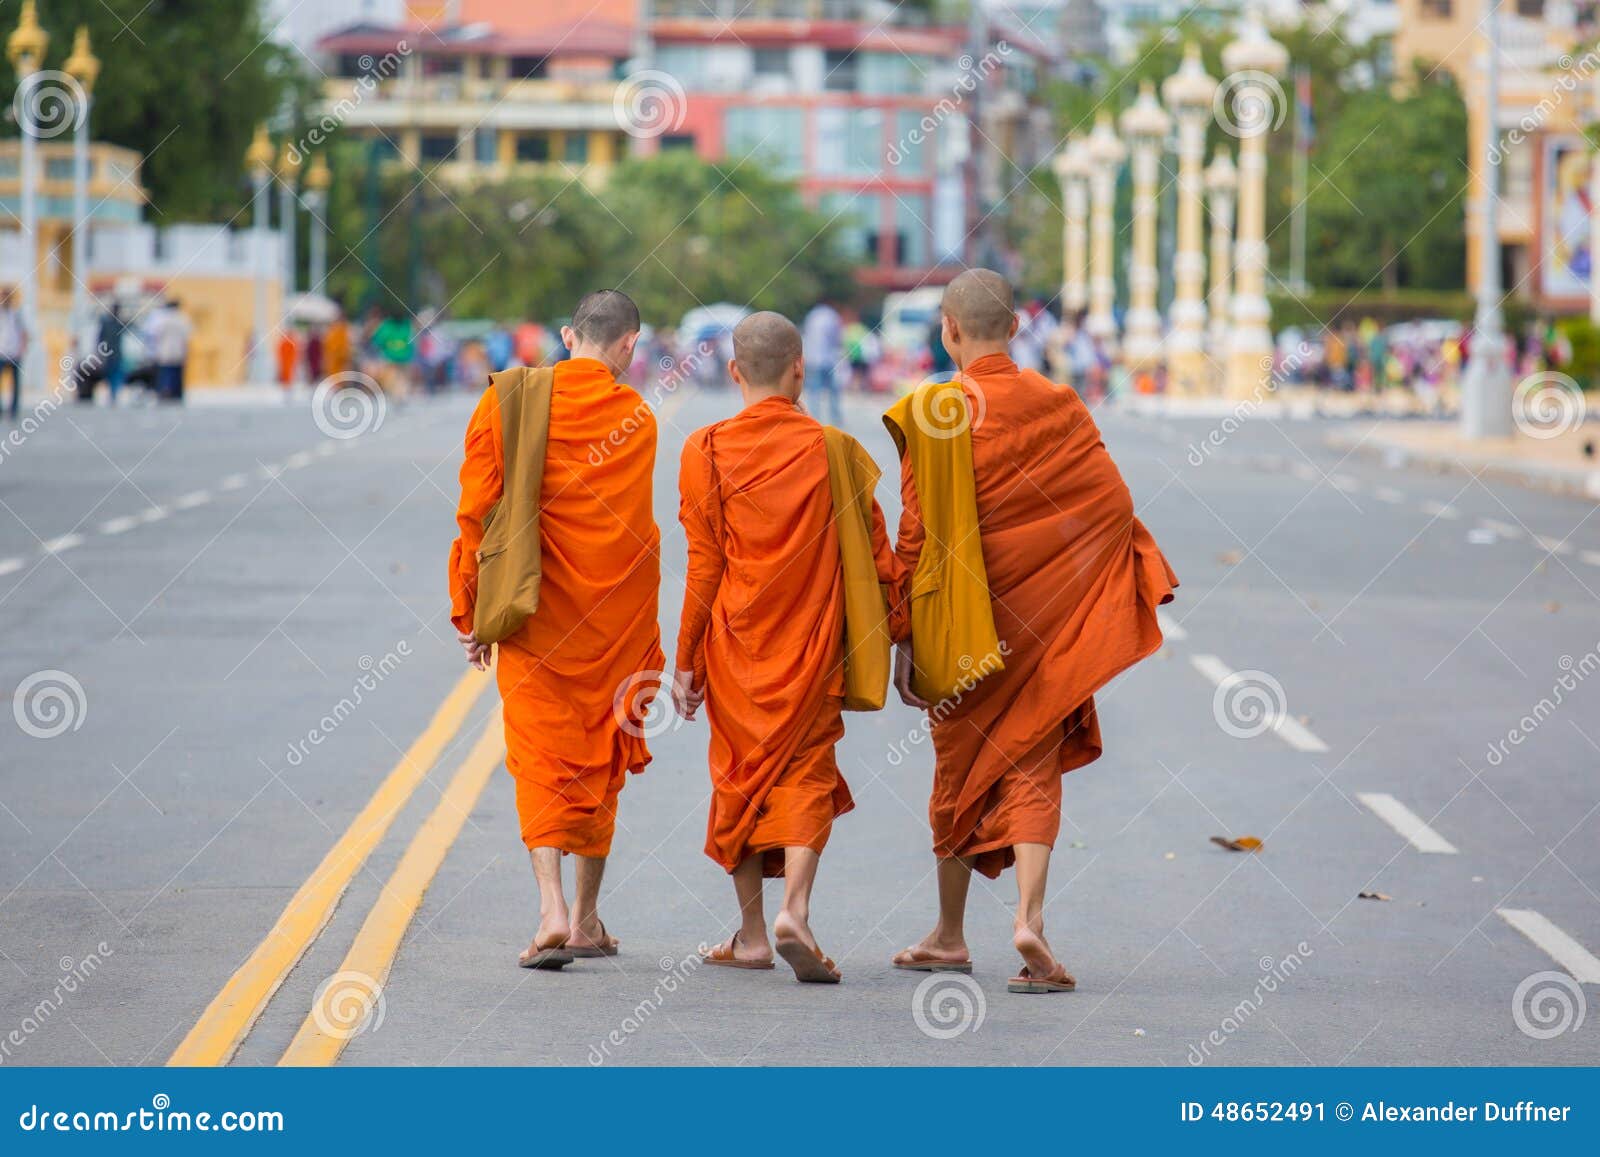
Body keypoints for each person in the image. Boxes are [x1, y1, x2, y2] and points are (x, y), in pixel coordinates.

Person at [886, 269, 1176, 993]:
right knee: (1031, 766)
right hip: (1043, 626)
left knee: (957, 772)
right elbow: (1111, 504)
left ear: (947, 330)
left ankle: (950, 935)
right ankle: (1030, 922)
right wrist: (1073, 587)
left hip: (962, 630)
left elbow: (917, 537)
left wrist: (904, 634)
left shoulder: (935, 412)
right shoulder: (1059, 401)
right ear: (1015, 329)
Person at [672, 312, 906, 984]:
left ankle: (751, 934)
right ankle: (795, 910)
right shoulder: (835, 448)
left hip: (736, 645)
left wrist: (683, 659)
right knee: (805, 770)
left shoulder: (705, 449)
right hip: (812, 643)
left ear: (735, 372)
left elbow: (704, 566)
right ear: (800, 369)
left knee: (738, 775)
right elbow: (882, 560)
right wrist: (907, 637)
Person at [448, 290, 664, 970]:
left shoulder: (507, 400)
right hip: (614, 622)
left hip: (537, 613)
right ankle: (588, 916)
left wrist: (475, 604)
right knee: (603, 753)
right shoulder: (638, 419)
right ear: (630, 345)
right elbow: (636, 531)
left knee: (540, 756)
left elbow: (477, 509)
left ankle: (554, 908)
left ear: (570, 336)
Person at [802, 299, 844, 425]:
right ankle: (836, 417)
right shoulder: (832, 316)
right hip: (828, 359)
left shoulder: (811, 315)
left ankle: (813, 417)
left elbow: (807, 335)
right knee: (833, 390)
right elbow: (836, 339)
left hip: (813, 359)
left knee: (814, 390)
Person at [149, 297, 192, 403]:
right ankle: (175, 395)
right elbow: (188, 335)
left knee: (165, 374)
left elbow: (154, 334)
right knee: (176, 375)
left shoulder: (162, 320)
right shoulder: (183, 319)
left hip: (164, 352)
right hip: (179, 352)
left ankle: (164, 393)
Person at [0, 290, 26, 420]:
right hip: (1, 352)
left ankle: (13, 409)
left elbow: (23, 333)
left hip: (15, 353)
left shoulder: (16, 314)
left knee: (15, 384)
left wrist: (21, 349)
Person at [98, 303, 127, 404]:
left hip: (113, 354)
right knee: (112, 375)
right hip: (111, 354)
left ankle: (113, 394)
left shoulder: (112, 323)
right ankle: (112, 394)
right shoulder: (112, 323)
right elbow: (100, 339)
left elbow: (100, 339)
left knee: (114, 375)